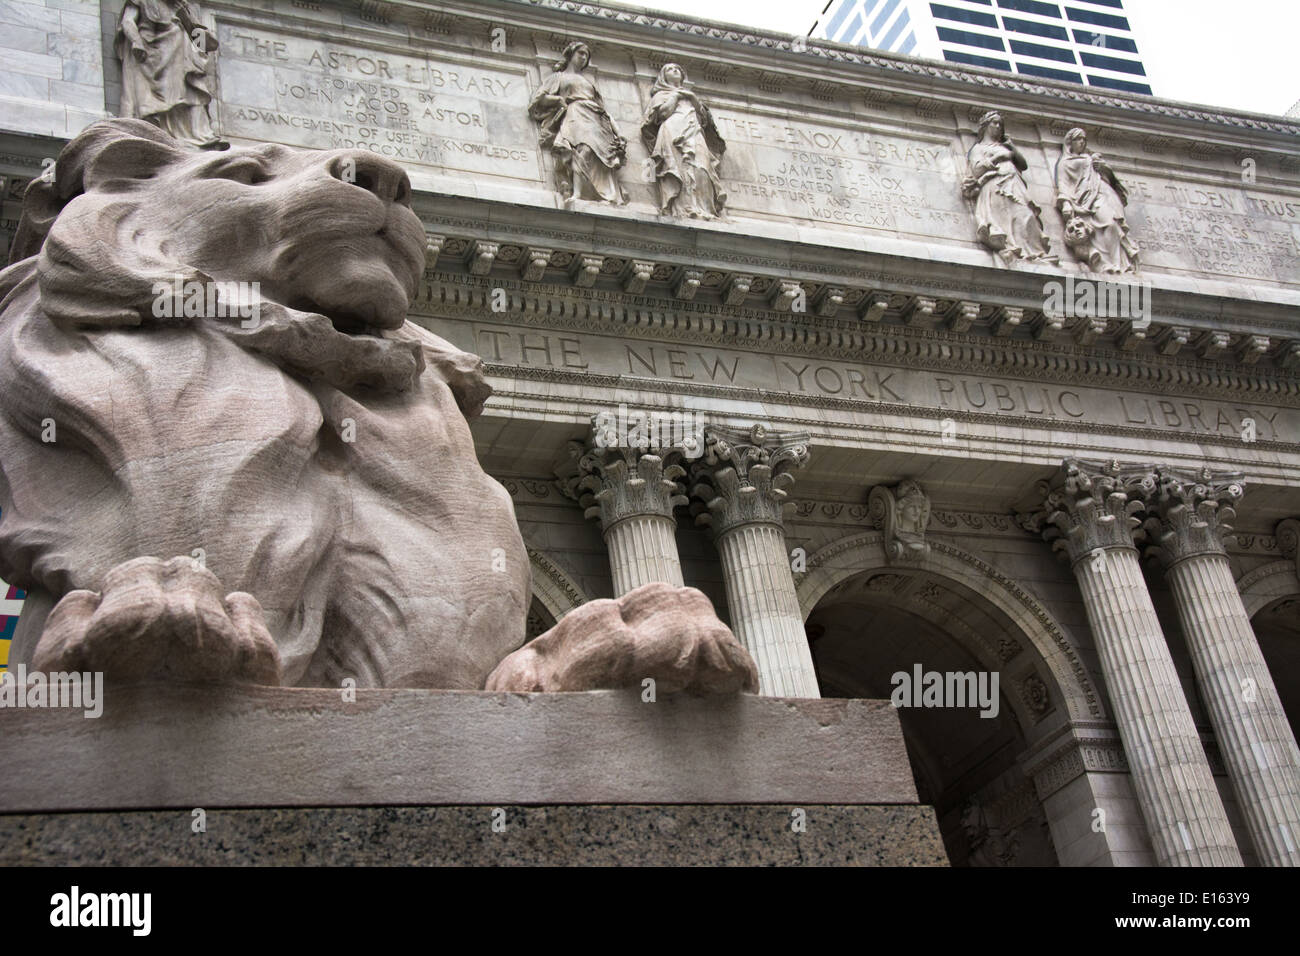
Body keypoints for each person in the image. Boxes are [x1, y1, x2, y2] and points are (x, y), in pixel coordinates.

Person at [116, 0, 227, 150]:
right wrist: (136, 41)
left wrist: (187, 19)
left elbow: (204, 43)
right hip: (151, 55)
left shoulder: (183, 6)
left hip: (180, 59)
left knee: (189, 90)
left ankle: (195, 135)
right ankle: (157, 130)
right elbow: (127, 21)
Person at [528, 41, 628, 205]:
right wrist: (559, 99)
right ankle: (578, 193)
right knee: (582, 149)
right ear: (571, 54)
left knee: (597, 154)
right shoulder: (558, 77)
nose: (583, 58)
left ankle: (604, 195)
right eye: (580, 53)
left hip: (596, 118)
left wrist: (618, 131)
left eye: (586, 56)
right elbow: (539, 99)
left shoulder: (589, 83)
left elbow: (603, 109)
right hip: (575, 113)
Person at [963, 110, 1056, 264]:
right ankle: (1011, 249)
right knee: (1005, 219)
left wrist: (1011, 147)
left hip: (1015, 185)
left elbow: (1023, 164)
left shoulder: (1006, 146)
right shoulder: (978, 148)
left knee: (1026, 215)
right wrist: (998, 157)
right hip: (996, 186)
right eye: (995, 123)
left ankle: (1034, 253)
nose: (998, 126)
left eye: (1001, 124)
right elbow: (977, 169)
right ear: (986, 126)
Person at [640, 63, 727, 219]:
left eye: (678, 69)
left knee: (702, 167)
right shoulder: (661, 95)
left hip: (694, 132)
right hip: (673, 131)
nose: (675, 71)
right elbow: (663, 113)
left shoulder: (691, 97)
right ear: (663, 77)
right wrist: (676, 96)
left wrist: (692, 98)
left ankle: (705, 208)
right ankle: (683, 208)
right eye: (670, 69)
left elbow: (704, 120)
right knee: (680, 168)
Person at [1055, 128, 1139, 274]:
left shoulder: (1091, 158)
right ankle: (1104, 263)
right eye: (1078, 139)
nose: (1082, 142)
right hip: (1084, 201)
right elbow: (1063, 185)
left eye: (1084, 139)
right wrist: (1066, 203)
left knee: (1112, 224)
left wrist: (1103, 168)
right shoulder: (1065, 163)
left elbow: (1112, 180)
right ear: (1070, 143)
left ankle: (1118, 264)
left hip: (1103, 194)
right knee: (1108, 225)